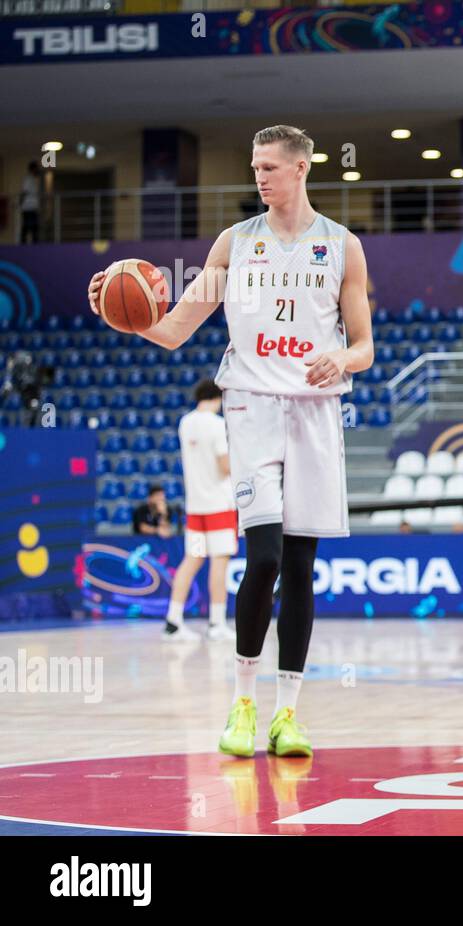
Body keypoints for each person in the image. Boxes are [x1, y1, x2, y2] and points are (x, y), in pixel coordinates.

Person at [88, 124, 373, 759]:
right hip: (250, 408)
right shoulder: (235, 244)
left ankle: (287, 714)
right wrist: (118, 312)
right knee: (265, 557)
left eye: (270, 168)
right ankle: (242, 702)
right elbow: (173, 330)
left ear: (302, 169)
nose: (260, 178)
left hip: (317, 412)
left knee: (302, 567)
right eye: (254, 168)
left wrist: (342, 360)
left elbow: (365, 346)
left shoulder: (343, 247)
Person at [162, 379, 237, 643]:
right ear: (218, 397)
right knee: (219, 562)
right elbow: (225, 467)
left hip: (195, 507)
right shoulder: (217, 425)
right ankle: (216, 623)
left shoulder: (186, 423)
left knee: (190, 561)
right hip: (219, 505)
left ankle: (173, 620)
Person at [19, 162, 40, 244]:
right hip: (28, 207)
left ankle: (34, 244)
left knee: (34, 227)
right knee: (28, 226)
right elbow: (24, 192)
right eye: (36, 169)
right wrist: (20, 204)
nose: (37, 171)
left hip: (32, 207)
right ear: (33, 169)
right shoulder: (28, 179)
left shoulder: (32, 180)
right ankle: (24, 244)